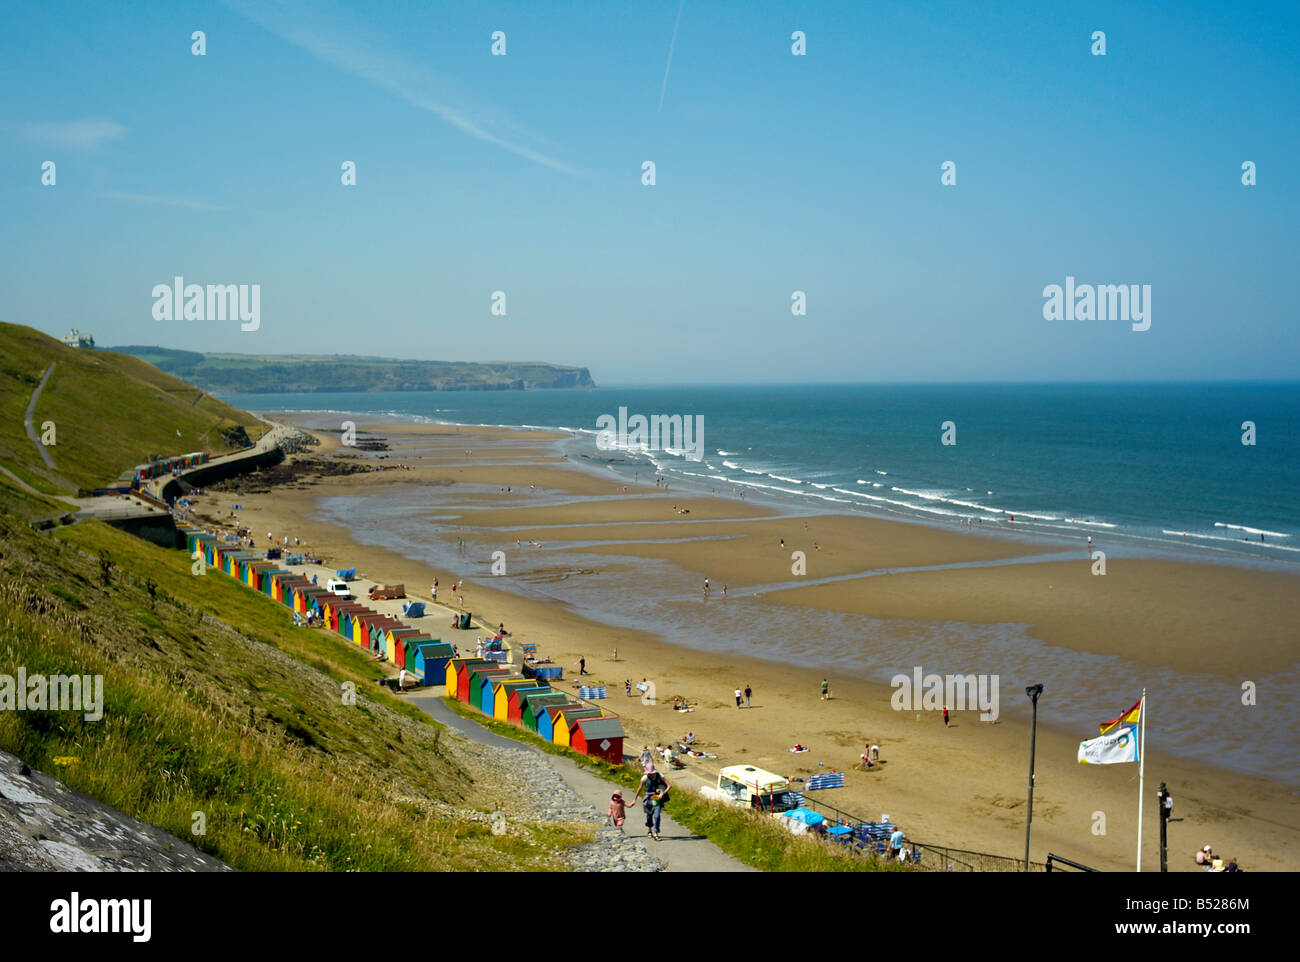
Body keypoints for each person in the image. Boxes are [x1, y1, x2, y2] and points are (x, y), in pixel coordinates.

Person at [632, 768, 671, 840]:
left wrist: (663, 794)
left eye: (651, 773)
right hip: (648, 798)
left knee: (657, 816)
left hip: (657, 798)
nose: (650, 774)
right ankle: (649, 831)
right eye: (649, 773)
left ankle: (656, 833)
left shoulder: (659, 775)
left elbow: (669, 786)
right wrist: (634, 799)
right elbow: (639, 788)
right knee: (649, 815)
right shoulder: (644, 778)